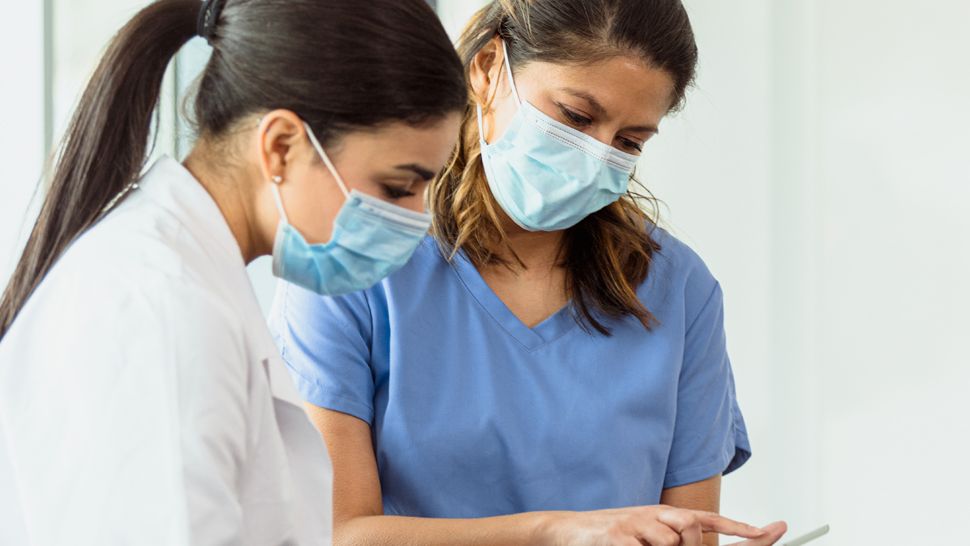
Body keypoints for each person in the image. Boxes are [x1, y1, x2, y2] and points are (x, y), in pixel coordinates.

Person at [270, 0, 789, 545]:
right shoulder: (349, 258)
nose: (596, 157)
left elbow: (689, 536)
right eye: (576, 116)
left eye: (629, 141)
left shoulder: (681, 290)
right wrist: (553, 532)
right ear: (489, 69)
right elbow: (335, 533)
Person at [0, 0, 465, 544]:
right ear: (282, 146)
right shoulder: (160, 307)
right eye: (396, 187)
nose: (416, 221)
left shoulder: (192, 275)